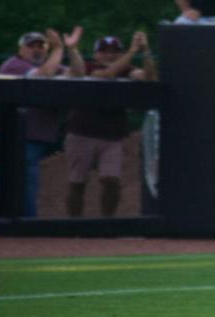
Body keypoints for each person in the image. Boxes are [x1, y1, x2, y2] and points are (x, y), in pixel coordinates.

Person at [0, 29, 79, 218]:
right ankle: (26, 223)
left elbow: (78, 74)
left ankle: (2, 222)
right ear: (21, 49)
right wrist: (58, 48)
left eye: (41, 46)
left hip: (33, 133)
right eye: (31, 46)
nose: (36, 50)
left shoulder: (52, 65)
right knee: (25, 176)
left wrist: (72, 50)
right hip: (8, 132)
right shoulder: (14, 65)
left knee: (14, 177)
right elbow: (42, 76)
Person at [64, 32, 157, 217]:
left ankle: (106, 225)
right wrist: (132, 50)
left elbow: (150, 77)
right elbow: (105, 74)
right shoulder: (88, 67)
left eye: (114, 51)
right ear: (96, 53)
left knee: (111, 181)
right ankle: (73, 226)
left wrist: (145, 51)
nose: (109, 55)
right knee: (77, 182)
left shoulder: (127, 69)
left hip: (112, 134)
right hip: (83, 131)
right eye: (104, 51)